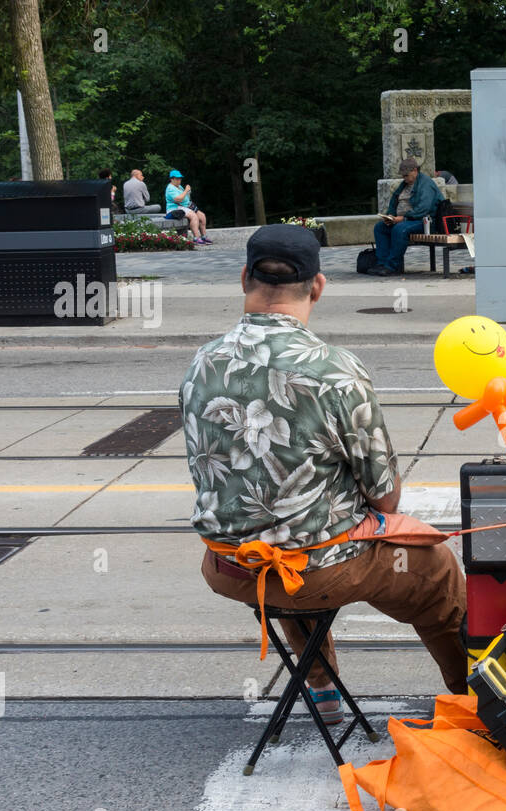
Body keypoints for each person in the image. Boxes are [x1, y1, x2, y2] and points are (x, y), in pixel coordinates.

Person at [183, 225, 469, 721]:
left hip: (230, 567)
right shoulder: (335, 369)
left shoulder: (200, 364)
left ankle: (320, 684)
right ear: (317, 285)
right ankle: (475, 694)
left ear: (244, 277)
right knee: (436, 571)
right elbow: (384, 498)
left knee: (289, 544)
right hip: (318, 571)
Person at [370, 157, 442, 276]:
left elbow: (423, 209)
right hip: (405, 219)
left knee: (400, 229)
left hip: (425, 221)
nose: (404, 178)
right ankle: (381, 263)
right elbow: (394, 200)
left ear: (415, 170)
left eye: (406, 175)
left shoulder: (425, 184)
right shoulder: (405, 184)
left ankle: (392, 266)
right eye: (403, 176)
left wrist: (403, 218)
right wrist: (390, 217)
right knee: (380, 227)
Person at [165, 169, 211, 244]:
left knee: (202, 216)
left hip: (185, 206)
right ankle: (196, 238)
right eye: (177, 178)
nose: (179, 180)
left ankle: (204, 236)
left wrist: (188, 192)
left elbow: (186, 198)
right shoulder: (170, 188)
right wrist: (186, 190)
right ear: (171, 179)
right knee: (194, 216)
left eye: (180, 178)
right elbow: (178, 199)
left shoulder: (179, 186)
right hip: (174, 209)